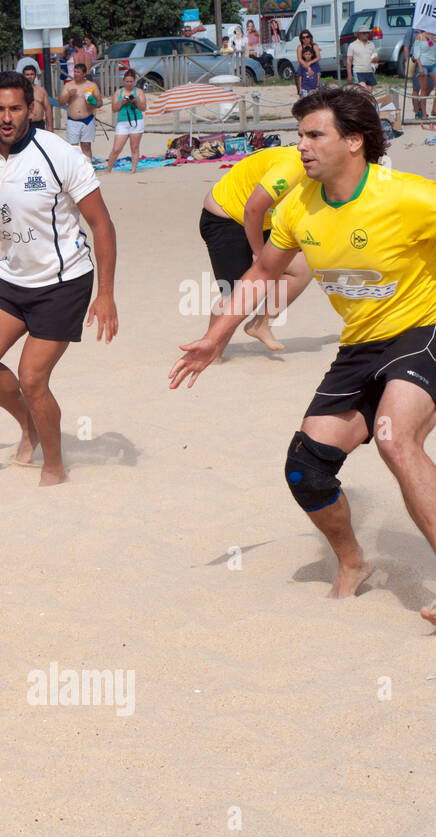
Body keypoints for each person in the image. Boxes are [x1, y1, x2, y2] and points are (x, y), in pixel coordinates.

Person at [170, 86, 436, 620]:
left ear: (355, 142)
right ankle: (352, 562)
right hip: (360, 346)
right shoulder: (299, 206)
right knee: (306, 470)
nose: (302, 148)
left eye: (315, 135)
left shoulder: (407, 196)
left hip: (423, 331)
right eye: (300, 137)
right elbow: (263, 273)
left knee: (392, 436)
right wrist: (217, 336)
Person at [0, 71, 119, 487]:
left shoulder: (60, 154)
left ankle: (54, 466)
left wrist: (106, 294)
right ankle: (30, 425)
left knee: (33, 378)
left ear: (31, 109)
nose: (7, 117)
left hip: (64, 280)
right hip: (12, 277)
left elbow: (102, 225)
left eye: (16, 108)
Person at [198, 143, 315, 352]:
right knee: (237, 295)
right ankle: (210, 350)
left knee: (303, 267)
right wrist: (259, 254)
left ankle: (261, 324)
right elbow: (253, 208)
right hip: (226, 218)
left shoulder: (324, 168)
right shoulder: (292, 166)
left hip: (263, 220)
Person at [103, 69, 147, 172]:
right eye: (127, 81)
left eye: (131, 81)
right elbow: (114, 109)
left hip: (136, 121)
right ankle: (108, 169)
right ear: (123, 81)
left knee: (134, 147)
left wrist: (136, 101)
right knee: (116, 149)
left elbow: (143, 108)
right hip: (122, 122)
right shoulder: (119, 92)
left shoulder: (139, 92)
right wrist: (122, 101)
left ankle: (133, 170)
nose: (129, 84)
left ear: (134, 81)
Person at [59, 62, 100, 162]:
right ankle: (75, 170)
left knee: (86, 146)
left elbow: (99, 103)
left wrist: (92, 101)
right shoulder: (68, 85)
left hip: (88, 119)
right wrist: (68, 94)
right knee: (73, 147)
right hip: (73, 120)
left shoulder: (91, 85)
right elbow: (61, 102)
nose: (76, 74)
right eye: (75, 71)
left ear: (84, 73)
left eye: (78, 72)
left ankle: (88, 169)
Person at [19, 61, 53, 130]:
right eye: (27, 74)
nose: (30, 77)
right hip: (24, 124)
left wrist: (50, 126)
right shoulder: (19, 91)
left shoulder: (41, 90)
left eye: (32, 74)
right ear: (23, 76)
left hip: (39, 124)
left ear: (35, 76)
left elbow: (48, 109)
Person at [297, 30, 321, 98]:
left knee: (316, 86)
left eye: (307, 37)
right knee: (302, 90)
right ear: (301, 39)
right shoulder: (300, 47)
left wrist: (310, 63)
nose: (305, 39)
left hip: (314, 66)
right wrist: (307, 67)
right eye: (303, 37)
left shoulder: (314, 46)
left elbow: (318, 57)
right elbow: (299, 59)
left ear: (310, 37)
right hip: (303, 67)